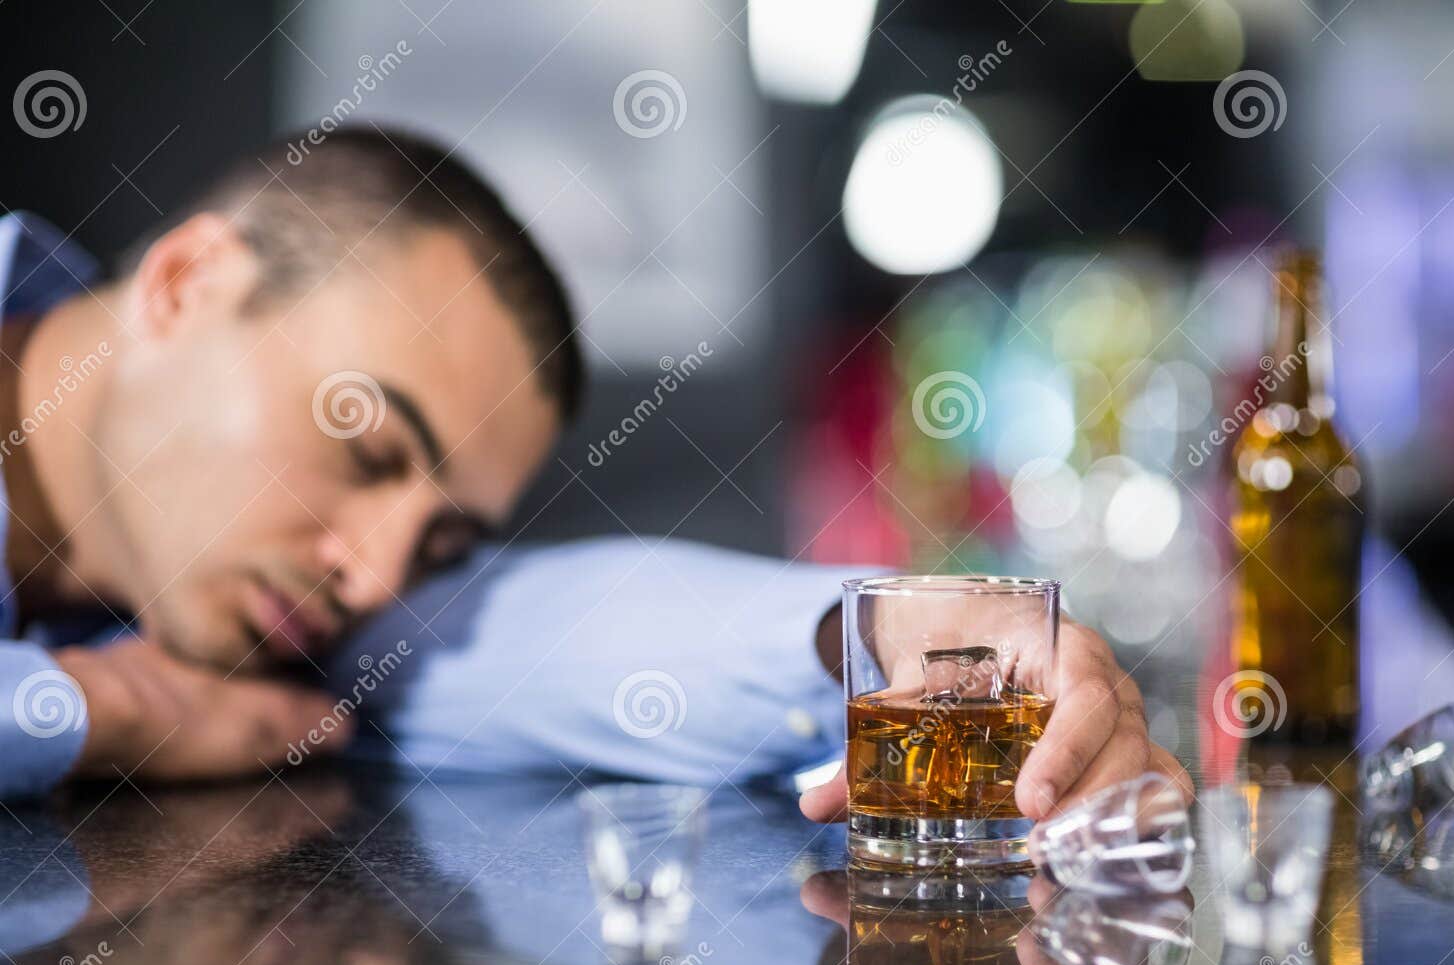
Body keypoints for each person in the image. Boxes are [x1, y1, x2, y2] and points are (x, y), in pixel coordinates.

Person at [0, 125, 1187, 820]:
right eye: (364, 445)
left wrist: (878, 639)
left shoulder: (237, 594)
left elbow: (517, 632)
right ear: (183, 286)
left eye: (439, 538)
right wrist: (83, 710)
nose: (370, 573)